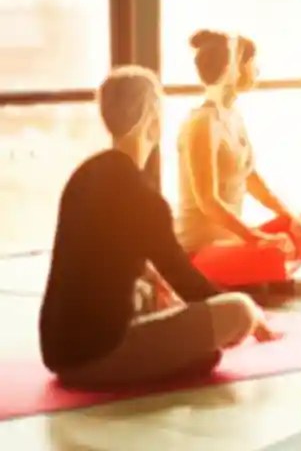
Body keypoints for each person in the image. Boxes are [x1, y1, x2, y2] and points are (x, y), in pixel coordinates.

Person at [39, 66, 277, 390]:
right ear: (152, 115)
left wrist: (152, 281)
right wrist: (253, 315)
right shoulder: (141, 194)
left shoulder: (83, 176)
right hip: (98, 356)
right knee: (239, 311)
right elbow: (188, 282)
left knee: (156, 294)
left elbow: (96, 257)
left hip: (55, 351)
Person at [176, 30, 301, 288]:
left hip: (234, 243)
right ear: (232, 68)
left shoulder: (233, 116)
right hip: (201, 252)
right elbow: (208, 202)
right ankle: (263, 272)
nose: (256, 70)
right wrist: (256, 238)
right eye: (250, 62)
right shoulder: (201, 124)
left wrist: (291, 217)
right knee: (275, 252)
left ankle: (264, 273)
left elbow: (250, 177)